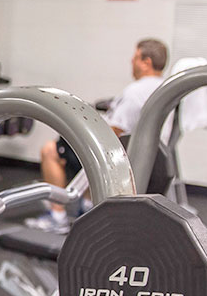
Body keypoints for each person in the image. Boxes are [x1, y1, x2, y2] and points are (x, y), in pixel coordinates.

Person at [25, 38, 168, 233]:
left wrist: (77, 132)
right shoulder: (166, 88)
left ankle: (57, 216)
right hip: (151, 158)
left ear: (147, 62)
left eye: (135, 58)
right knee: (81, 149)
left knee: (51, 149)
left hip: (121, 159)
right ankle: (86, 206)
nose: (131, 63)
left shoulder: (135, 91)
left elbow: (113, 133)